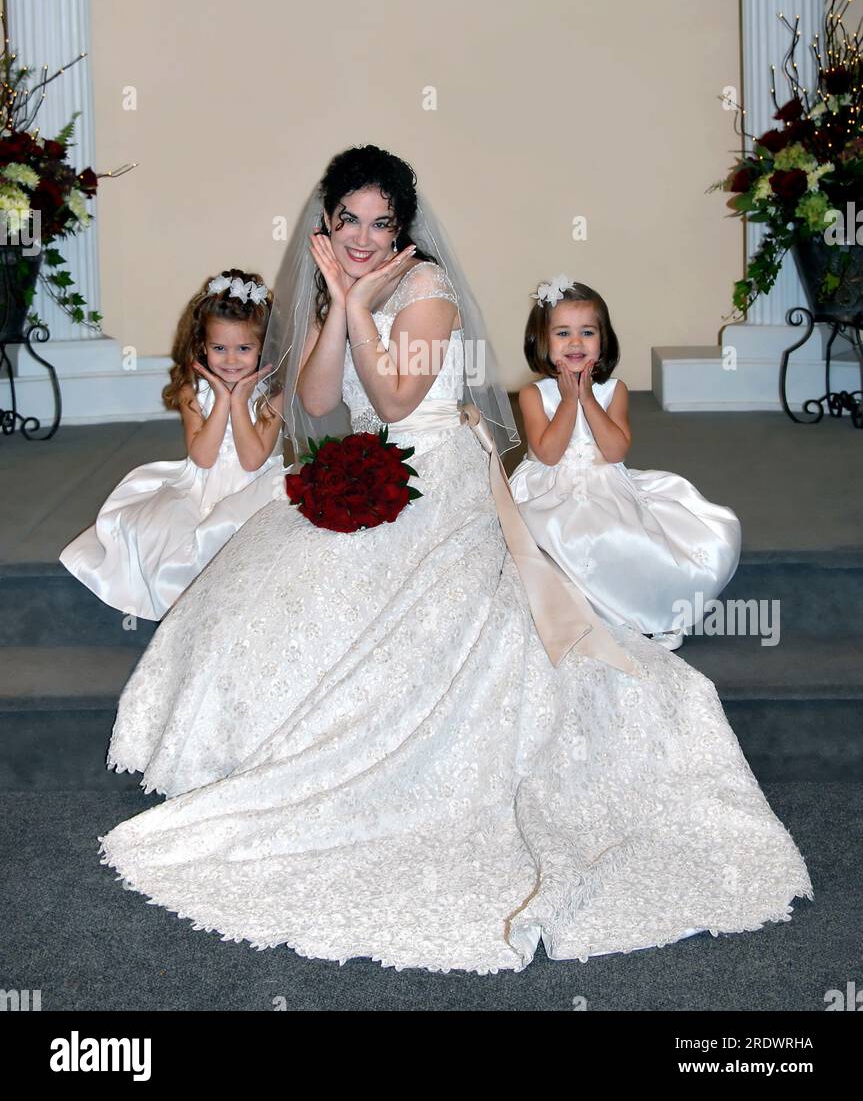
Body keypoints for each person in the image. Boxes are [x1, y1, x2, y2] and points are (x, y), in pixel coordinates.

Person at [96, 146, 811, 974]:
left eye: (379, 224)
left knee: (406, 601)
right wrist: (337, 301)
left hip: (434, 471)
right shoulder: (347, 283)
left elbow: (399, 398)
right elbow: (324, 400)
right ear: (327, 224)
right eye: (347, 223)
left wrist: (358, 300)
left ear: (402, 227)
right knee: (266, 575)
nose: (362, 239)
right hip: (371, 462)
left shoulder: (426, 293)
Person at [509, 277, 742, 651]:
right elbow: (549, 454)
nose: (575, 343)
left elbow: (616, 450)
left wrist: (588, 399)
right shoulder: (533, 394)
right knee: (567, 533)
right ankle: (587, 615)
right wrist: (569, 402)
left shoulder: (613, 389)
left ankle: (652, 611)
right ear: (542, 341)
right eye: (563, 333)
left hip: (605, 481)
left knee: (630, 537)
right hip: (548, 487)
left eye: (587, 332)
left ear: (603, 341)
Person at [60, 270, 284, 621]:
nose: (230, 359)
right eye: (219, 348)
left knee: (233, 528)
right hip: (200, 483)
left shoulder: (273, 395)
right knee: (157, 532)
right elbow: (203, 456)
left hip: (255, 486)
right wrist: (221, 401)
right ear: (201, 346)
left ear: (264, 347)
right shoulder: (191, 391)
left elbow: (253, 459)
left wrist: (240, 401)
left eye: (244, 348)